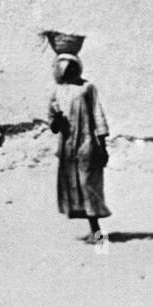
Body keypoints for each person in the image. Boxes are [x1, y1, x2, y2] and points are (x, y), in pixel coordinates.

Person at [47, 53, 111, 244]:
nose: (71, 72)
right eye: (67, 70)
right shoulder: (57, 92)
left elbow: (98, 114)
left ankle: (98, 235)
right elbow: (53, 125)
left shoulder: (87, 88)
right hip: (68, 148)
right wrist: (57, 120)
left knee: (89, 187)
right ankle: (95, 235)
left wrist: (103, 145)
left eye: (73, 68)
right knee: (75, 189)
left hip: (87, 144)